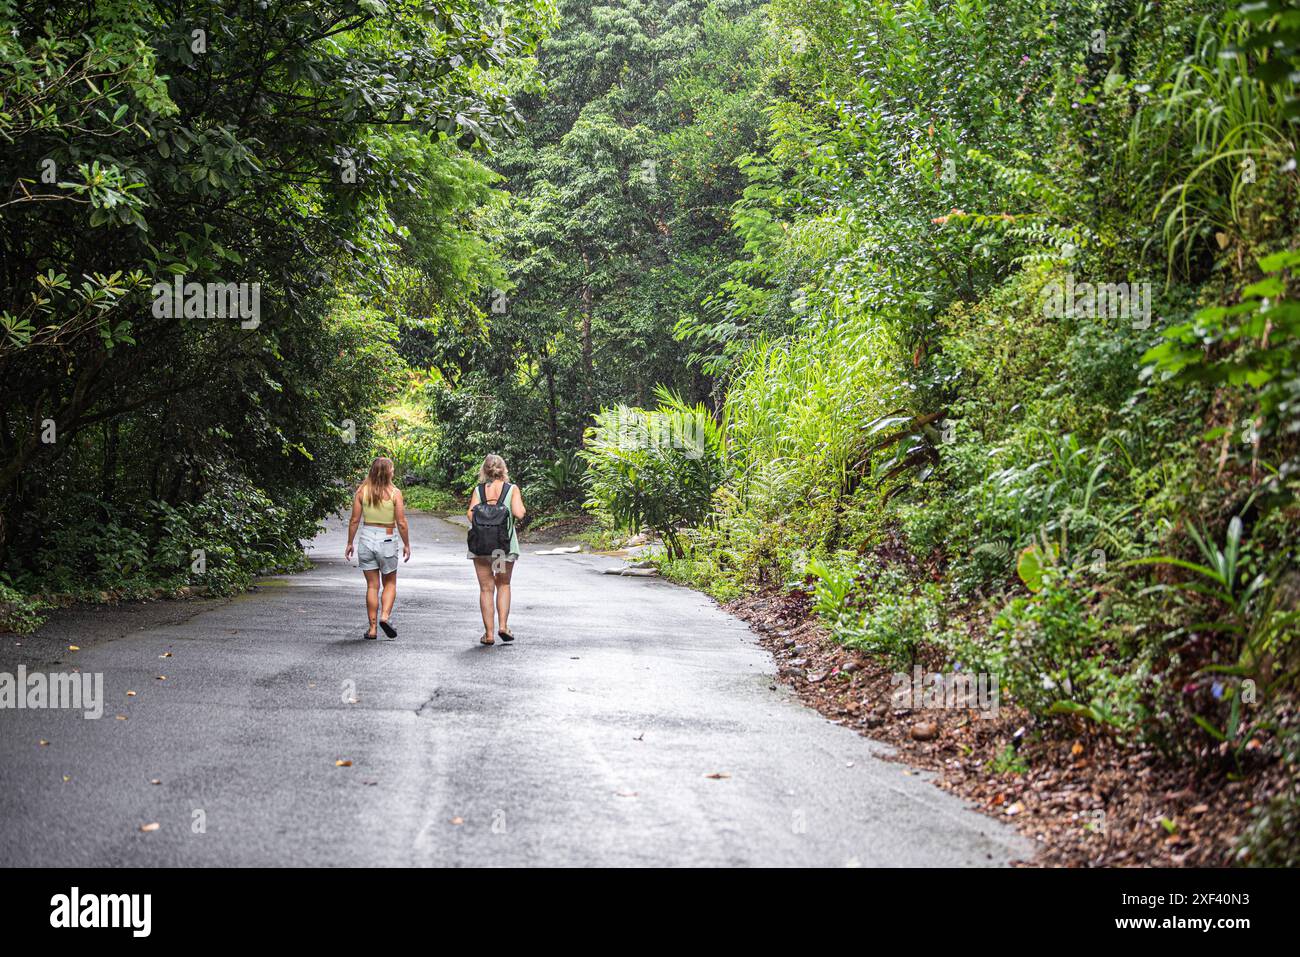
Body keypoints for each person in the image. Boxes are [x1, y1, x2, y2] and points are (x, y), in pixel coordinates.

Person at [344, 456, 411, 639]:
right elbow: (402, 523)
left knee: (372, 586)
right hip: (387, 539)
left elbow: (354, 520)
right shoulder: (395, 493)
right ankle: (384, 617)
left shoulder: (362, 491)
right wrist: (406, 544)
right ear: (389, 472)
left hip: (366, 538)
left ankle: (372, 629)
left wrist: (350, 543)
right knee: (390, 582)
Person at [467, 453, 526, 645]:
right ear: (504, 469)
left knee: (486, 589)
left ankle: (489, 634)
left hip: (481, 548)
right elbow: (519, 513)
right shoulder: (511, 489)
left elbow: (471, 515)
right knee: (503, 584)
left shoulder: (479, 490)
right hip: (501, 549)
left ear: (484, 470)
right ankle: (503, 626)